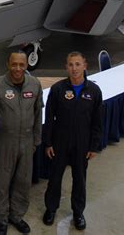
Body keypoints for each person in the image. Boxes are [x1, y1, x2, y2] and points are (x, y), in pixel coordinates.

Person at [0, 51, 43, 235]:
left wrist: (36, 140)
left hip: (27, 140)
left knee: (23, 181)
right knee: (2, 181)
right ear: (8, 64)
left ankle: (16, 215)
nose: (18, 68)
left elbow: (38, 114)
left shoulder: (35, 84)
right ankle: (1, 218)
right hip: (4, 142)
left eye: (21, 65)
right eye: (14, 64)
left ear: (26, 65)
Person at [42, 51, 102, 230]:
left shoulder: (93, 91)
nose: (74, 68)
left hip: (82, 143)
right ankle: (51, 209)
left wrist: (93, 146)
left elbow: (97, 121)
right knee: (55, 178)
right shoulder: (58, 89)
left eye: (77, 64)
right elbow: (49, 117)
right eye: (70, 64)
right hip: (60, 141)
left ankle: (78, 213)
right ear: (66, 67)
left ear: (85, 65)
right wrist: (48, 142)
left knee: (80, 179)